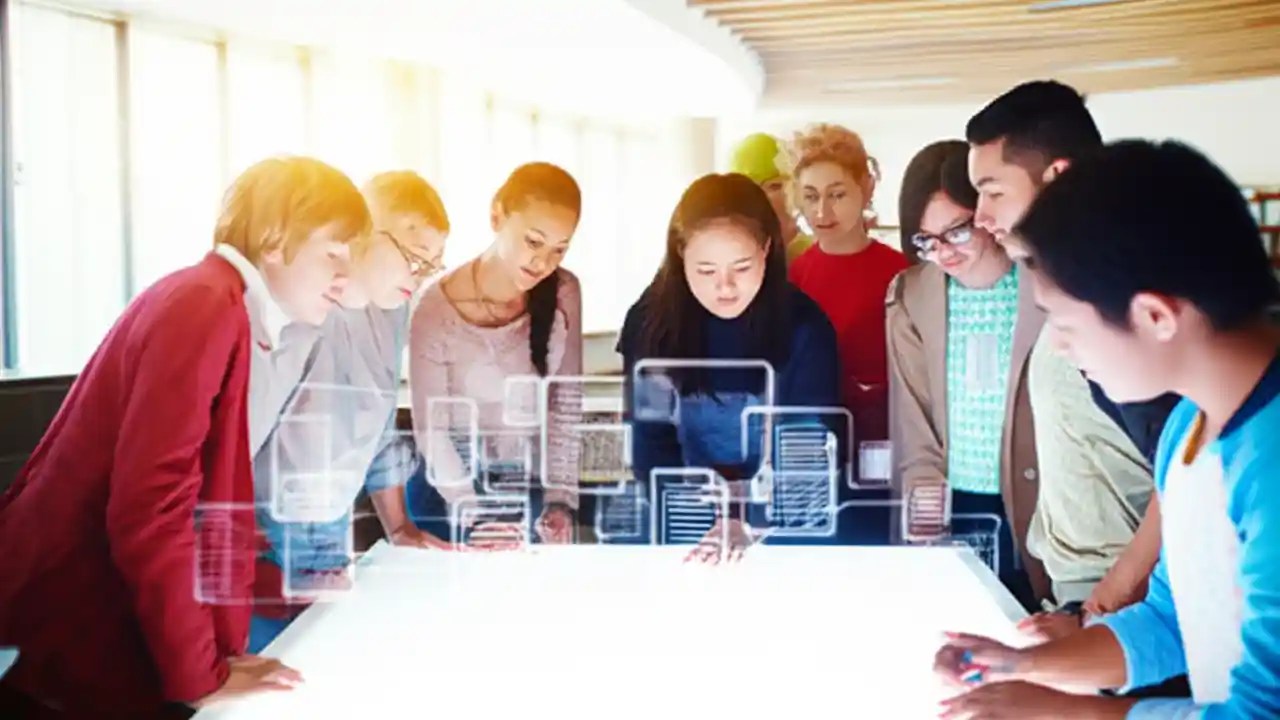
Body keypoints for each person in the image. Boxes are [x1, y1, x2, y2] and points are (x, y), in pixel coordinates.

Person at [0, 156, 367, 718]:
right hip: (80, 622)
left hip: (97, 621)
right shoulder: (204, 305)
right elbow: (151, 509)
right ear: (273, 240)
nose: (346, 276)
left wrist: (274, 592)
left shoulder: (218, 303)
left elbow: (203, 499)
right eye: (334, 253)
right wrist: (200, 675)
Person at [935, 140, 1280, 720]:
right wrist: (1020, 665)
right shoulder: (1189, 431)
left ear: (1154, 316)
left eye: (1065, 324)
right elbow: (1172, 618)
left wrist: (1060, 713)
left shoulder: (1267, 459)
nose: (1062, 348)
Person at [966, 80, 1169, 635]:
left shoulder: (1126, 293)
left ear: (1057, 177)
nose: (980, 216)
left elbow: (1190, 470)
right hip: (1085, 601)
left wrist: (1101, 606)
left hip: (1136, 613)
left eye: (993, 191)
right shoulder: (1069, 282)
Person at [248, 170, 452, 653]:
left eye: (432, 265)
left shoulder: (390, 311)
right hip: (262, 537)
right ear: (365, 230)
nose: (418, 276)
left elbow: (379, 431)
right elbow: (238, 440)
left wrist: (399, 527)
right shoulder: (303, 306)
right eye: (412, 258)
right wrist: (247, 554)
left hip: (329, 529)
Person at [618, 172, 841, 557]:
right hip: (679, 521)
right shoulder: (651, 323)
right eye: (706, 270)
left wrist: (747, 520)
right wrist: (703, 522)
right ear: (679, 253)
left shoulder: (804, 325)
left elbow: (807, 446)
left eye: (741, 268)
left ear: (767, 250)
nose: (725, 287)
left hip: (781, 527)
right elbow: (649, 440)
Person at [887, 140, 1047, 610]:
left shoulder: (1045, 279)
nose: (942, 252)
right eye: (925, 240)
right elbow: (914, 421)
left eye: (956, 231)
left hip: (1042, 503)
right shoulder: (911, 295)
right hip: (955, 503)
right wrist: (923, 510)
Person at [406, 162, 582, 546]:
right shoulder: (434, 307)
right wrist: (476, 516)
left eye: (559, 249)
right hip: (447, 496)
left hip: (524, 489)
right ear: (496, 216)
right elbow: (431, 431)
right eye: (533, 242)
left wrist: (559, 501)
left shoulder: (564, 291)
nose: (544, 263)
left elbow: (564, 404)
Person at [783, 123, 909, 468]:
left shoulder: (900, 273)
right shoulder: (793, 276)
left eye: (836, 195)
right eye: (811, 197)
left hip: (886, 436)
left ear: (865, 189)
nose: (822, 212)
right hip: (812, 441)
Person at [728, 132, 813, 264]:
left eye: (775, 186)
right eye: (776, 186)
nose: (791, 196)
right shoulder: (726, 261)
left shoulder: (814, 257)